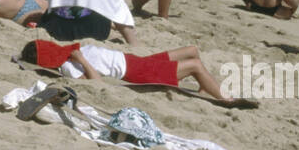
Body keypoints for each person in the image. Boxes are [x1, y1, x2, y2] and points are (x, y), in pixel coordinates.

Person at [20, 40, 253, 107]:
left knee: (192, 49)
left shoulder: (66, 51)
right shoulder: (68, 65)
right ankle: (225, 98)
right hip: (136, 72)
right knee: (194, 64)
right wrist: (81, 60)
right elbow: (98, 83)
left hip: (135, 61)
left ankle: (204, 87)